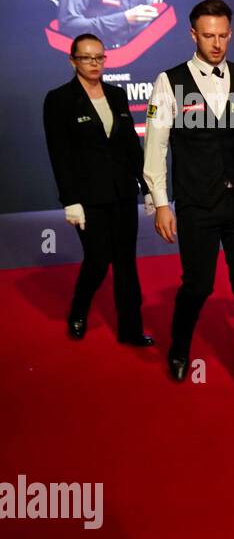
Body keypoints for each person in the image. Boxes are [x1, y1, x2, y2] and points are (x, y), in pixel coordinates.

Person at [143, 0, 234, 401]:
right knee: (198, 286)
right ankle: (180, 346)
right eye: (208, 36)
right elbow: (156, 146)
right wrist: (161, 203)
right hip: (196, 204)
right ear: (193, 34)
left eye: (223, 35)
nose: (217, 43)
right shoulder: (169, 82)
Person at [43, 32, 152, 345]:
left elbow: (131, 145)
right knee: (98, 259)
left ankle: (131, 329)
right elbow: (59, 153)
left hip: (122, 192)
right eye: (87, 57)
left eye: (99, 57)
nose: (94, 63)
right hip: (88, 198)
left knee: (126, 263)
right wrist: (70, 200)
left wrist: (147, 187)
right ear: (72, 60)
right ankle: (79, 310)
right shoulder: (59, 99)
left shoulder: (116, 95)